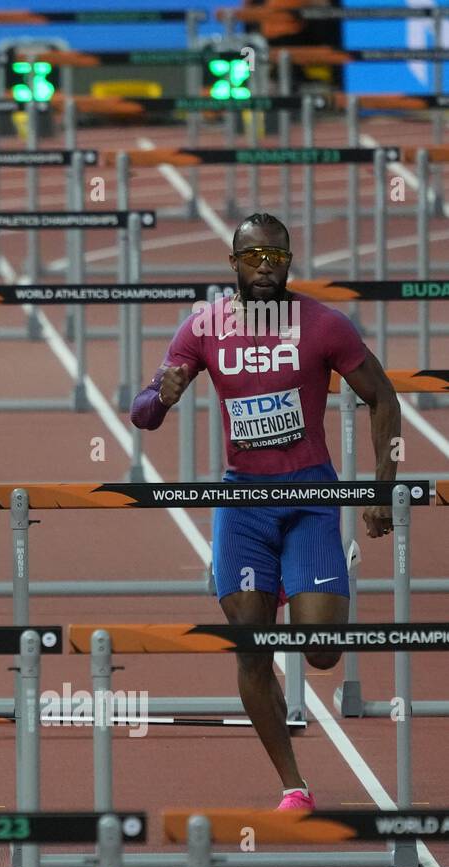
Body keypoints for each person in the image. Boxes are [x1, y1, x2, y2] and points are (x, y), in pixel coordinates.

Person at [130, 212, 401, 812]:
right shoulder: (204, 328)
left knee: (322, 651)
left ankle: (324, 571)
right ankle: (294, 785)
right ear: (233, 263)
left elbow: (383, 397)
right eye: (254, 257)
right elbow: (142, 413)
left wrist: (383, 487)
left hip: (311, 497)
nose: (265, 268)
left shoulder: (324, 325)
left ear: (290, 263)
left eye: (276, 258)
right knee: (251, 646)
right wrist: (160, 397)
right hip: (243, 501)